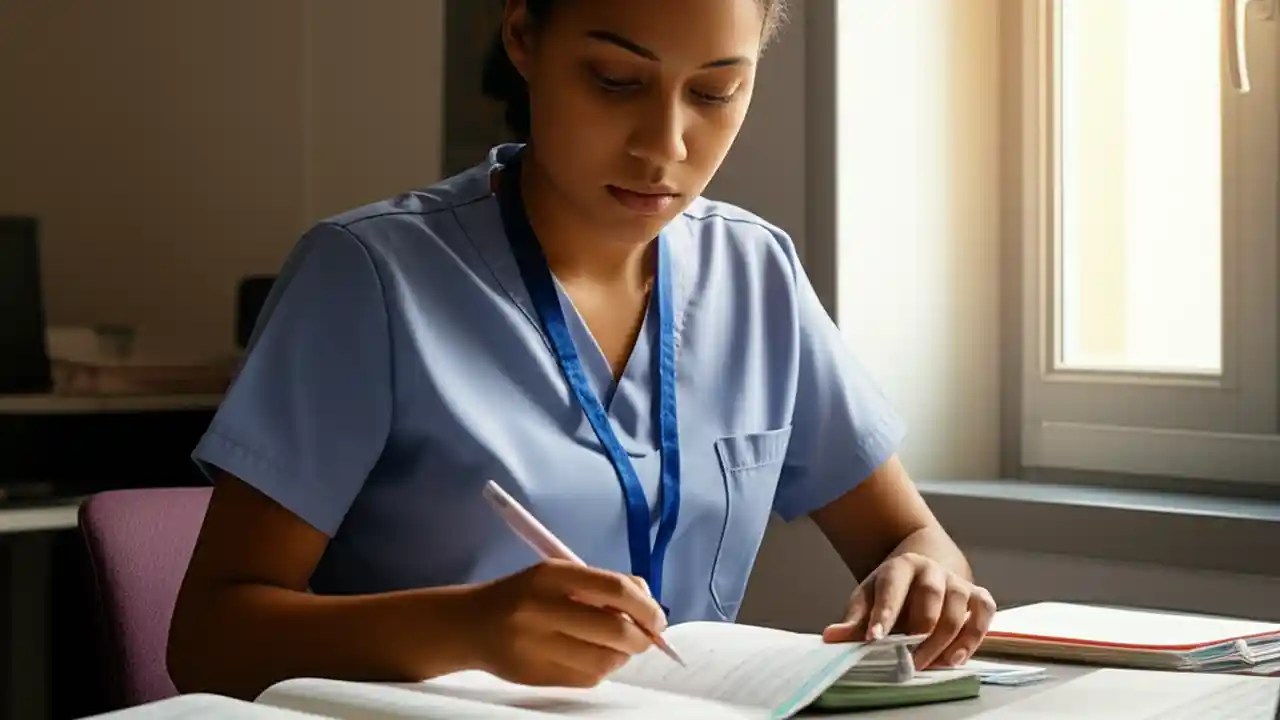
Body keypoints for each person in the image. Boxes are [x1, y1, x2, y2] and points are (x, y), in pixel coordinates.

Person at [167, 0, 995, 701]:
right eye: (616, 82)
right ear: (524, 38)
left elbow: (910, 538)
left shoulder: (755, 272)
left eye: (717, 90)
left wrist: (925, 576)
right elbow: (208, 639)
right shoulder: (371, 278)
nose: (665, 144)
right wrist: (467, 629)